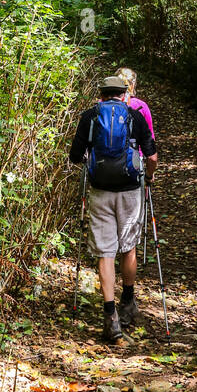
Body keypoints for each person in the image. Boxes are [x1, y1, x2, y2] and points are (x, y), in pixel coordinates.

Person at [69, 75, 157, 343]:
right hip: (130, 190)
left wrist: (91, 158)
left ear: (102, 94)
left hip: (100, 192)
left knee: (106, 251)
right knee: (128, 246)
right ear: (124, 93)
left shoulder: (90, 117)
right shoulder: (135, 116)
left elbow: (74, 156)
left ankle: (111, 317)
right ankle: (128, 300)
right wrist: (149, 176)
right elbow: (151, 156)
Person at [114, 66, 155, 139]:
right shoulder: (141, 106)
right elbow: (149, 135)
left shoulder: (103, 103)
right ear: (133, 84)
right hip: (135, 149)